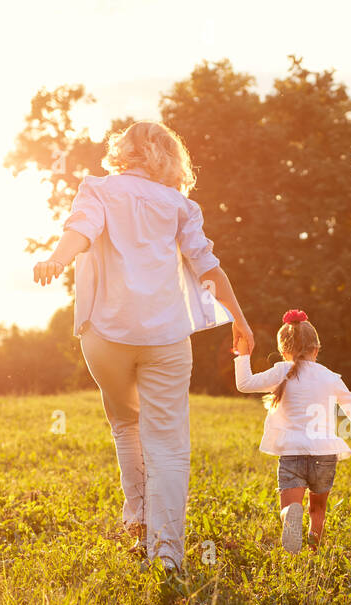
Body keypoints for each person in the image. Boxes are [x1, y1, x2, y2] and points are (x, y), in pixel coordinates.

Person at [32, 120, 254, 571]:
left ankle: (138, 522)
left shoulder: (98, 188)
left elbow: (81, 230)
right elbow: (207, 265)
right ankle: (168, 553)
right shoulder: (180, 205)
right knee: (169, 444)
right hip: (166, 336)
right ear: (169, 158)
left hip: (106, 335)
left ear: (122, 152)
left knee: (125, 423)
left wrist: (57, 258)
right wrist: (240, 320)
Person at [233, 310, 351, 554]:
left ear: (284, 350)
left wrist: (242, 355)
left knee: (290, 507)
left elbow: (244, 384)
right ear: (316, 349)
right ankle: (314, 549)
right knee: (318, 510)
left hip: (292, 452)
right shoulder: (330, 376)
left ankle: (289, 518)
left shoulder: (280, 371)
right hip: (324, 454)